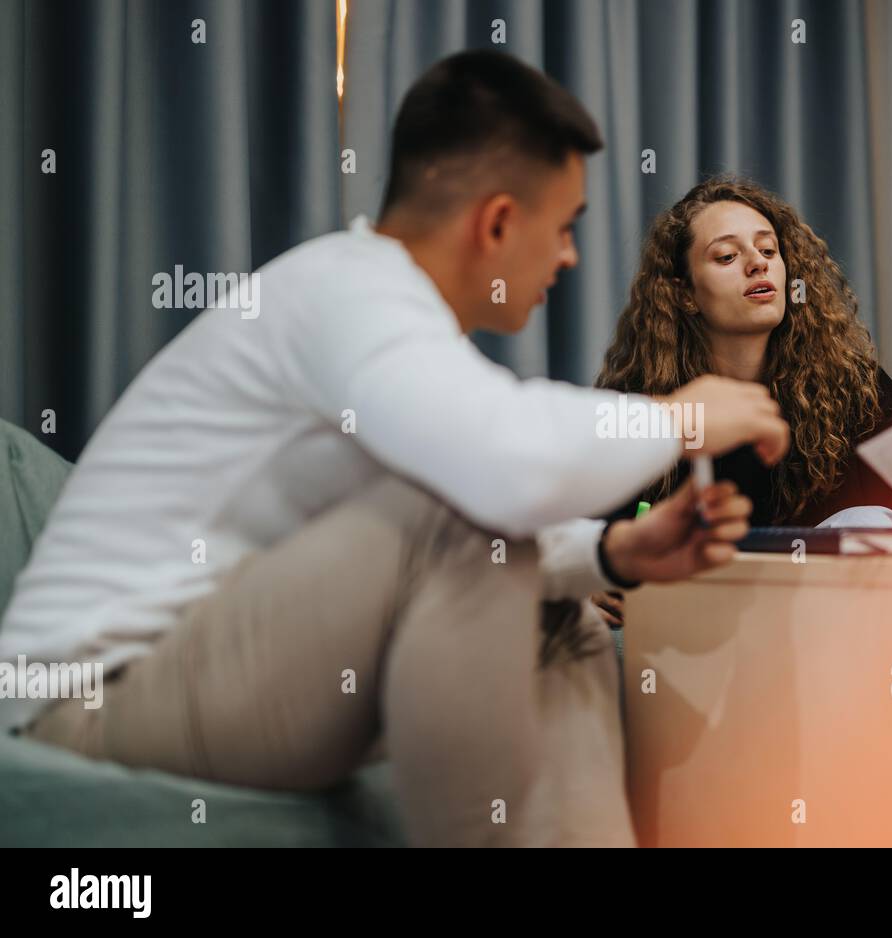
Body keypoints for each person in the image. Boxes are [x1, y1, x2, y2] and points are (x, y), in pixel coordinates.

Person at [0, 52, 789, 847]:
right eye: (562, 228)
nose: (568, 257)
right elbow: (497, 473)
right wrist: (681, 420)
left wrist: (617, 551)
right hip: (88, 701)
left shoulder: (391, 327)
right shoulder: (348, 296)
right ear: (497, 223)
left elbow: (487, 496)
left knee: (558, 620)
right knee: (462, 520)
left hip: (218, 670)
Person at [591, 176, 892, 626]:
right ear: (684, 294)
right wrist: (587, 582)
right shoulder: (644, 406)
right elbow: (588, 543)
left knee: (868, 521)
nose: (757, 264)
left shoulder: (854, 389)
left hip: (834, 649)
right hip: (692, 643)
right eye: (726, 256)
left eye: (767, 250)